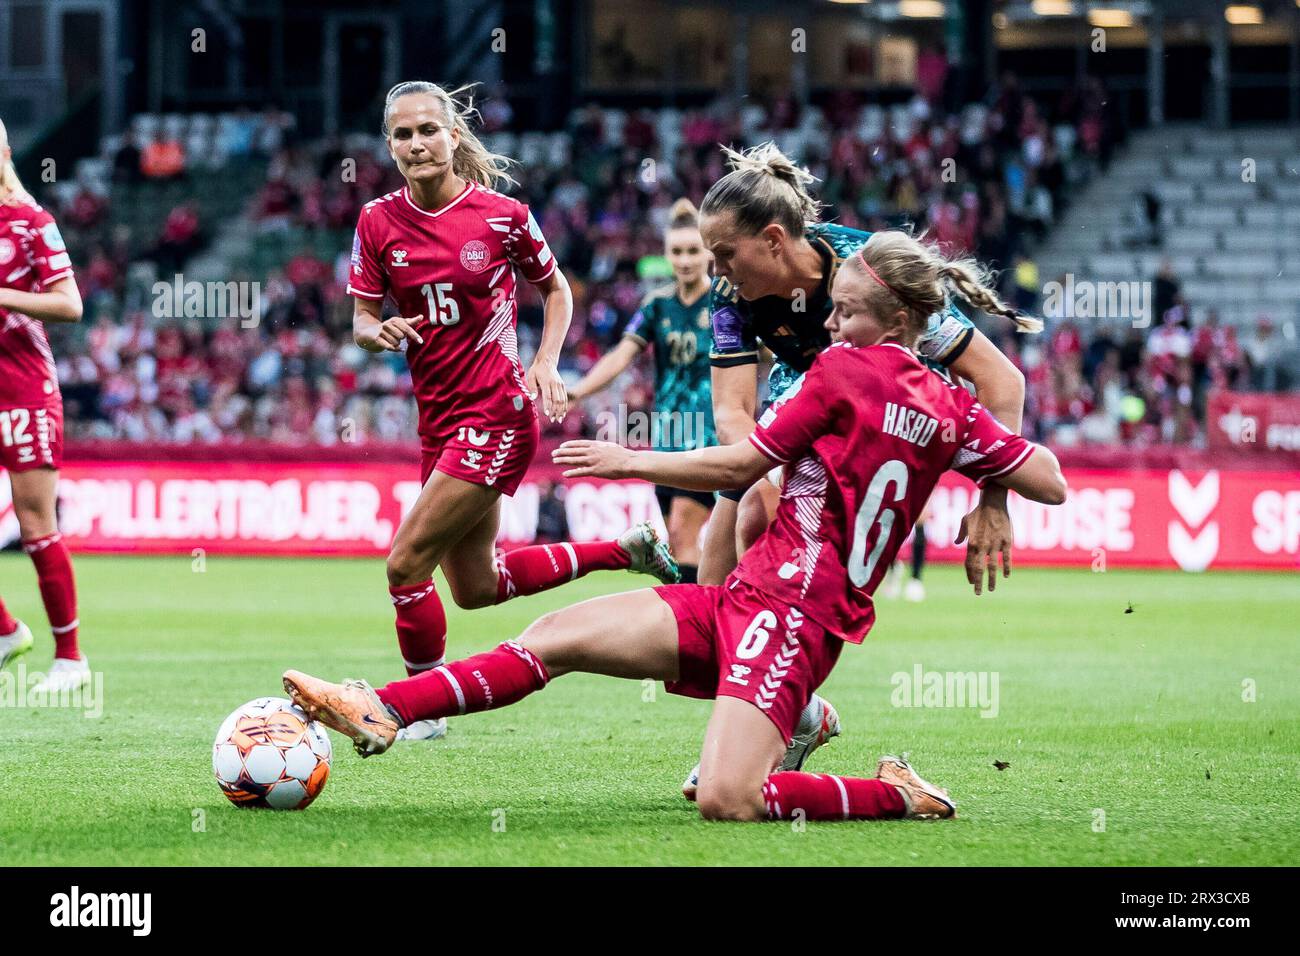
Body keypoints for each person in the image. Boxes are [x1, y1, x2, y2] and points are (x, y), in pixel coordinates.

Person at [282, 230, 1067, 824]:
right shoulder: (954, 409)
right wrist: (987, 480)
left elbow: (736, 468)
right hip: (750, 599)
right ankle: (381, 707)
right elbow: (1052, 481)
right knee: (555, 635)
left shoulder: (840, 372)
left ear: (896, 316)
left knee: (729, 800)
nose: (830, 323)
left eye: (848, 312)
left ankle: (893, 796)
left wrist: (630, 463)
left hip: (793, 618)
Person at [347, 82, 678, 744]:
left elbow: (556, 290)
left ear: (454, 137)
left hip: (497, 414)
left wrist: (548, 361)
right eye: (402, 135)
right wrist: (373, 332)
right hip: (438, 424)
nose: (416, 144)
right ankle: (627, 549)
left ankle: (421, 708)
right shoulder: (376, 222)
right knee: (476, 588)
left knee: (404, 564)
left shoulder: (501, 217)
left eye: (427, 131)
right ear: (389, 145)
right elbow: (360, 316)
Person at [695, 143, 1040, 600]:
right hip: (803, 382)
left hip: (894, 395)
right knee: (726, 546)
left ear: (774, 241)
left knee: (755, 517)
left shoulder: (870, 272)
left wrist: (993, 500)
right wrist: (757, 480)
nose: (715, 270)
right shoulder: (729, 292)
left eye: (725, 254)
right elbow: (731, 413)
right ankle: (712, 656)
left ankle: (775, 646)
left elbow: (1002, 380)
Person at [567, 198, 716, 583]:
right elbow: (622, 356)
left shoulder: (722, 302)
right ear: (667, 254)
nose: (685, 260)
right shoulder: (657, 305)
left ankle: (689, 630)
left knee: (684, 533)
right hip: (667, 438)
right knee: (680, 541)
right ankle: (702, 615)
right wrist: (576, 392)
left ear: (708, 253)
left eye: (693, 251)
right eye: (677, 252)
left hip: (707, 437)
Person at [0, 117, 89, 690]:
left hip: (22, 387)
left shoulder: (31, 222)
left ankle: (70, 659)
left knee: (36, 522)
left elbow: (71, 304)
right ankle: (7, 631)